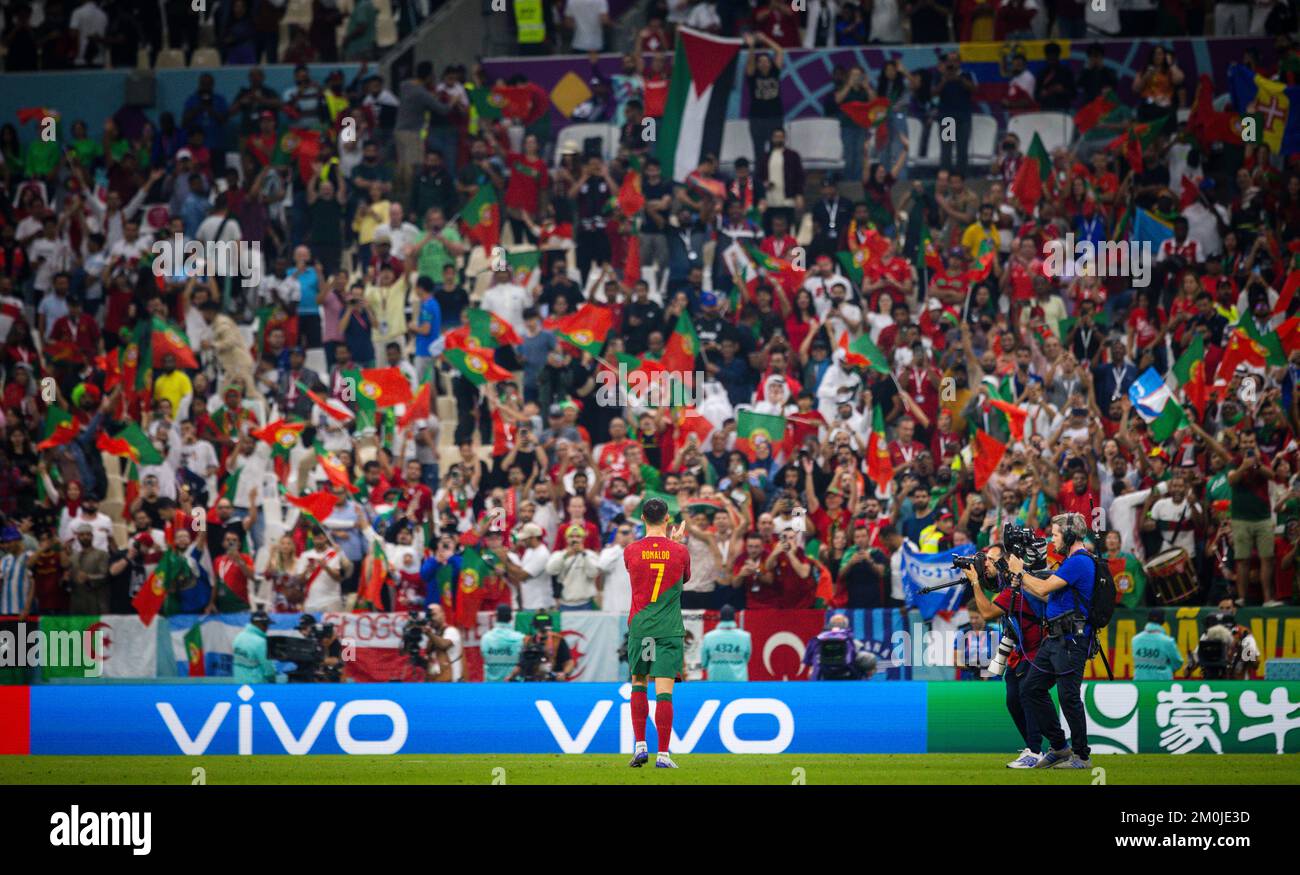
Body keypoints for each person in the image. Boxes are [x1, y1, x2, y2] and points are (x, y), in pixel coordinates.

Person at [1005, 512, 1096, 769]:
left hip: (1072, 639)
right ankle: (1059, 746)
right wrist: (1024, 582)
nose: (1052, 539)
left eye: (1055, 534)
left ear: (1069, 535)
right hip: (1055, 638)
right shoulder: (1070, 562)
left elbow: (1044, 589)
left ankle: (1082, 756)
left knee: (1068, 697)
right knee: (1031, 689)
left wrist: (1021, 573)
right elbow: (1050, 599)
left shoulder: (1079, 562)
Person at [965, 543, 1047, 768]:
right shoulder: (1006, 583)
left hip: (1035, 649)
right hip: (1019, 651)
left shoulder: (1017, 587)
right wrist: (975, 572)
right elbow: (991, 583)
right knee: (1013, 699)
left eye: (990, 560)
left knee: (1027, 696)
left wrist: (974, 581)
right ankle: (1037, 747)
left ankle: (1037, 750)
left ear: (1005, 561)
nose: (986, 564)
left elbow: (988, 612)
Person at [624, 497, 690, 768]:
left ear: (642, 518)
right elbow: (684, 579)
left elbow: (637, 573)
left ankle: (640, 746)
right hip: (668, 629)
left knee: (639, 683)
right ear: (667, 519)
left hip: (642, 628)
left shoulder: (631, 550)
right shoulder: (680, 551)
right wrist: (674, 542)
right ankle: (663, 755)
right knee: (664, 691)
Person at [700, 604, 751, 681]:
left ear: (720, 617)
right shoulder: (745, 636)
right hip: (739, 682)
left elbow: (704, 663)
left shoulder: (708, 637)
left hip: (715, 681)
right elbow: (746, 658)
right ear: (735, 617)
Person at [1131, 608, 1184, 680]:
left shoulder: (1135, 640)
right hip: (1162, 684)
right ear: (1163, 621)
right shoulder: (1168, 641)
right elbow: (1178, 662)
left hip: (1139, 683)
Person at [480, 603, 525, 682]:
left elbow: (485, 657)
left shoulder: (485, 638)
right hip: (514, 687)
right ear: (511, 618)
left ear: (496, 617)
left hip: (491, 687)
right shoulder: (520, 638)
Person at [232, 609, 276, 684]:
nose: (267, 628)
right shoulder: (261, 642)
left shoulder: (238, 637)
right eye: (266, 624)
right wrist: (273, 683)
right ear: (262, 625)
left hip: (239, 685)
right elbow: (269, 671)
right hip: (257, 688)